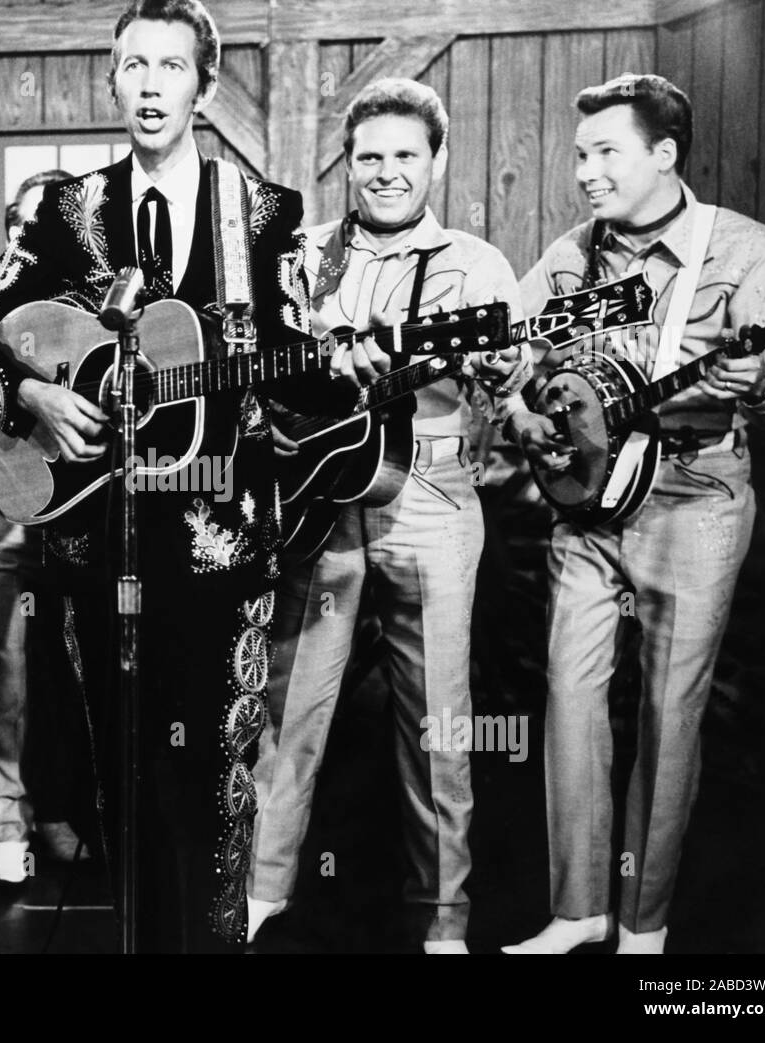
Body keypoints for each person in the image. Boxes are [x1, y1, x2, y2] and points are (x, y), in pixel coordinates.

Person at [0, 0, 311, 951]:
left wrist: (337, 369)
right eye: (133, 66)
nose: (150, 84)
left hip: (224, 546)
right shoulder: (66, 209)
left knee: (216, 780)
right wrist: (31, 395)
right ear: (112, 81)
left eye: (171, 67)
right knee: (125, 775)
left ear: (205, 85)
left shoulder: (263, 214)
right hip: (94, 539)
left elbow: (303, 362)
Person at [502, 74, 765, 954]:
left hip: (696, 494)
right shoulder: (566, 258)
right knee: (569, 693)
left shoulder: (746, 251)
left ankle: (645, 925)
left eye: (606, 153)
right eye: (580, 153)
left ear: (664, 155)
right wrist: (524, 418)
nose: (585, 171)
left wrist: (758, 382)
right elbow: (513, 365)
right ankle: (577, 909)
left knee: (673, 710)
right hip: (587, 500)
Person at [245, 78, 531, 952]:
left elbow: (510, 376)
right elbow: (266, 366)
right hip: (320, 498)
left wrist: (502, 368)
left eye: (406, 155)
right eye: (369, 156)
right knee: (287, 709)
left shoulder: (478, 265)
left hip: (434, 497)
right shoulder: (303, 256)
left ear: (436, 160)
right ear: (347, 162)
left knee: (438, 726)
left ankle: (441, 922)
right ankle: (260, 895)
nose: (386, 172)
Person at [0, 169, 90, 882]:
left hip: (84, 520)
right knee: (6, 677)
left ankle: (62, 812)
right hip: (0, 521)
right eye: (25, 227)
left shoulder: (99, 306)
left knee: (77, 678)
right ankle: (7, 824)